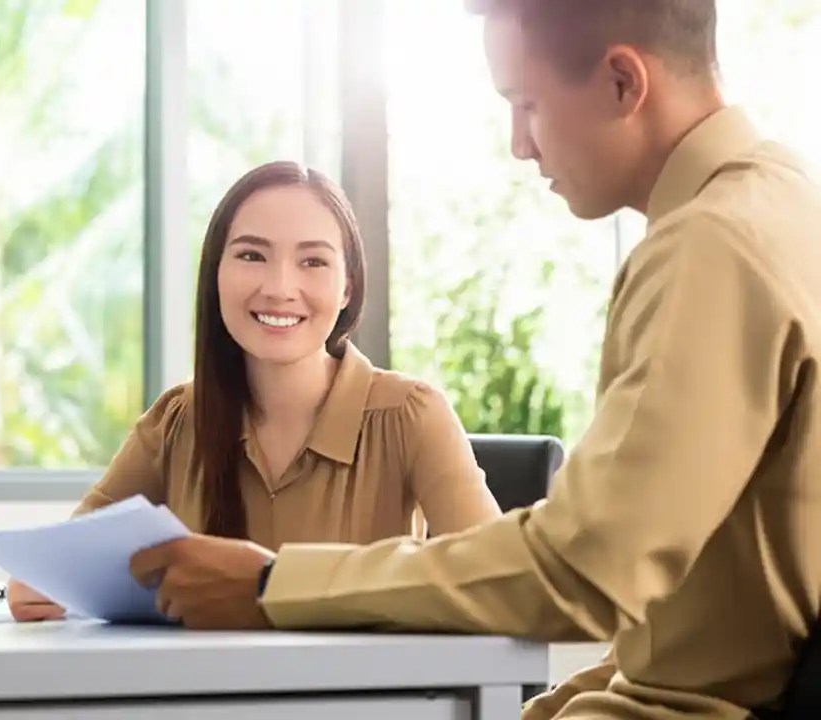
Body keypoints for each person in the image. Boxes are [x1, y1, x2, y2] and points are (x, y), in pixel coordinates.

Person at [127, 1, 821, 718]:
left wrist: (274, 584)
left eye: (527, 105)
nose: (520, 144)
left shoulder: (708, 249)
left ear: (622, 82)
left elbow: (584, 569)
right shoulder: (784, 199)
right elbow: (684, 624)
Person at [8, 160, 502, 621]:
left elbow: (494, 582)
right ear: (215, 275)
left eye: (312, 262)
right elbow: (61, 567)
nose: (279, 287)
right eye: (251, 255)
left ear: (348, 288)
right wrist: (43, 585)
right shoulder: (177, 420)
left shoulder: (411, 415)